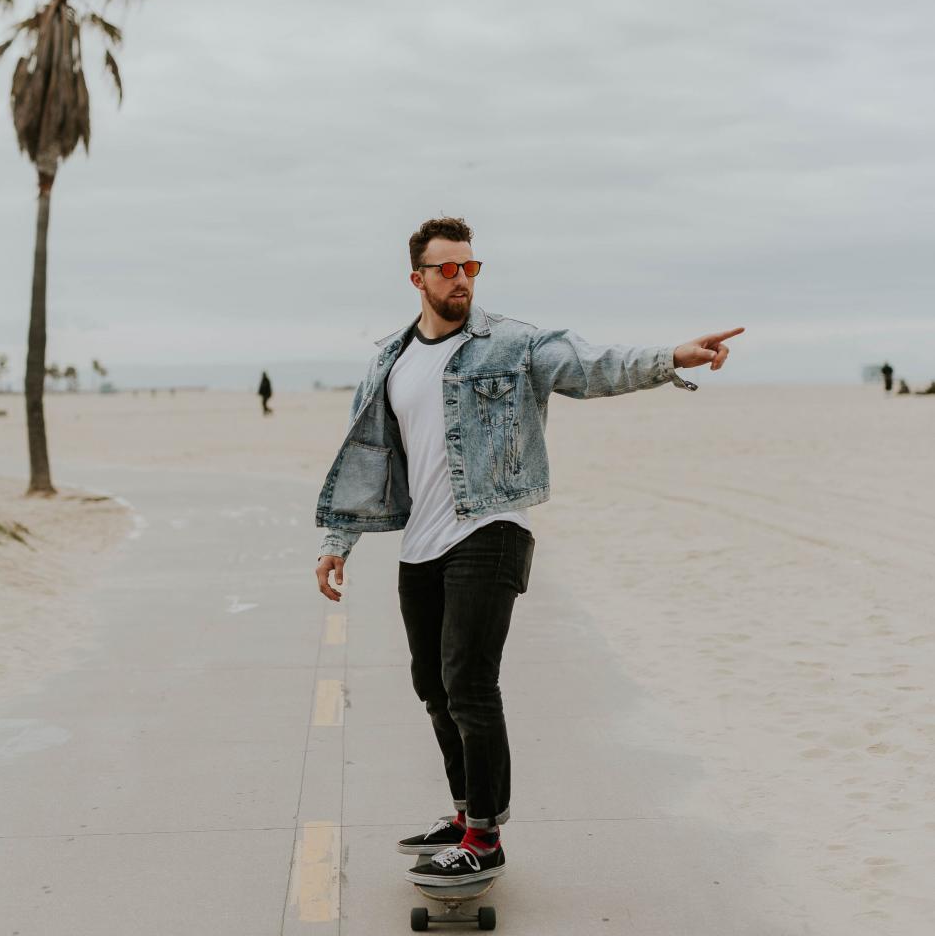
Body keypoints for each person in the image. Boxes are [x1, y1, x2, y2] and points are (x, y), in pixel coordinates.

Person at [313, 216, 744, 886]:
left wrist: (670, 357)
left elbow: (592, 365)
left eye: (470, 267)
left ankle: (485, 834)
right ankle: (463, 814)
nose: (461, 278)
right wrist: (338, 540)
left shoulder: (513, 344)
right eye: (447, 268)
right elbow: (367, 456)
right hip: (421, 541)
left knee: (469, 680)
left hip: (492, 528)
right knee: (432, 683)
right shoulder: (389, 360)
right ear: (417, 278)